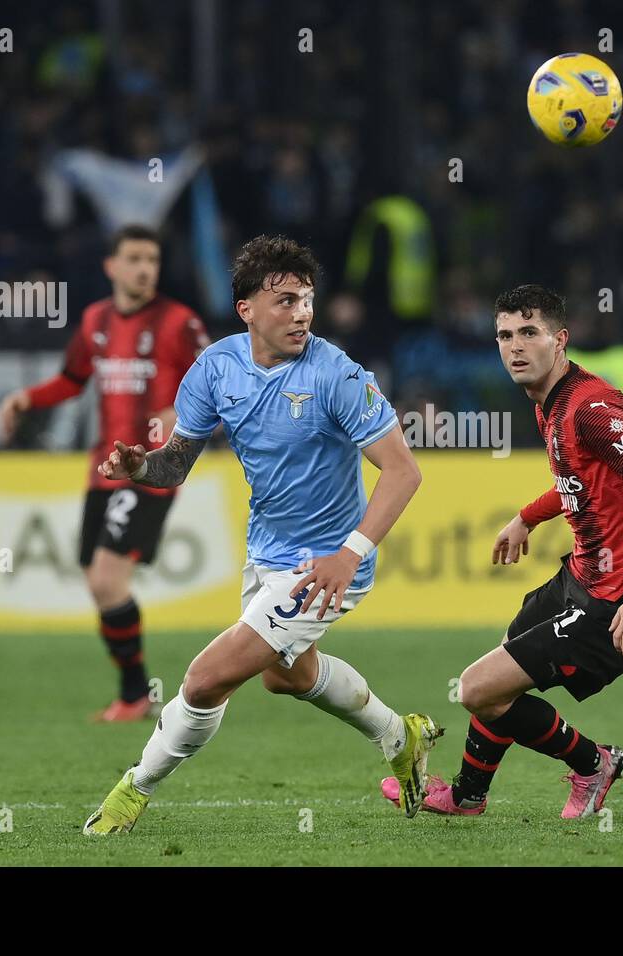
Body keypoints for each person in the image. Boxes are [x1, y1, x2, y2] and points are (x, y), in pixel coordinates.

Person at [83, 235, 439, 833]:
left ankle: (132, 788)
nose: (302, 312)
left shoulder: (337, 375)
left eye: (307, 299)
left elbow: (404, 471)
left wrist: (349, 555)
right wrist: (141, 466)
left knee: (205, 679)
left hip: (326, 566)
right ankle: (398, 736)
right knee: (287, 677)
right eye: (285, 301)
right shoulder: (216, 369)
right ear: (246, 308)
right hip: (268, 553)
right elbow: (177, 463)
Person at [383, 284, 623, 818]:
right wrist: (529, 516)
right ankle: (468, 796)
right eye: (504, 335)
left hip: (620, 595)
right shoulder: (552, 403)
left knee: (478, 689)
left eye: (529, 333)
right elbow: (583, 480)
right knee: (501, 669)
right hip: (583, 576)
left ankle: (595, 764)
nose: (515, 347)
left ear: (560, 340)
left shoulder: (589, 407)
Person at [0, 224, 209, 720]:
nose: (144, 268)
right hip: (101, 471)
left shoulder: (180, 322)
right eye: (134, 258)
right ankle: (135, 693)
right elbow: (73, 381)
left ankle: (136, 694)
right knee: (97, 582)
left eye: (152, 260)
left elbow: (218, 379)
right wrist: (26, 398)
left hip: (150, 469)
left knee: (108, 580)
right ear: (111, 266)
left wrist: (185, 413)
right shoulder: (95, 320)